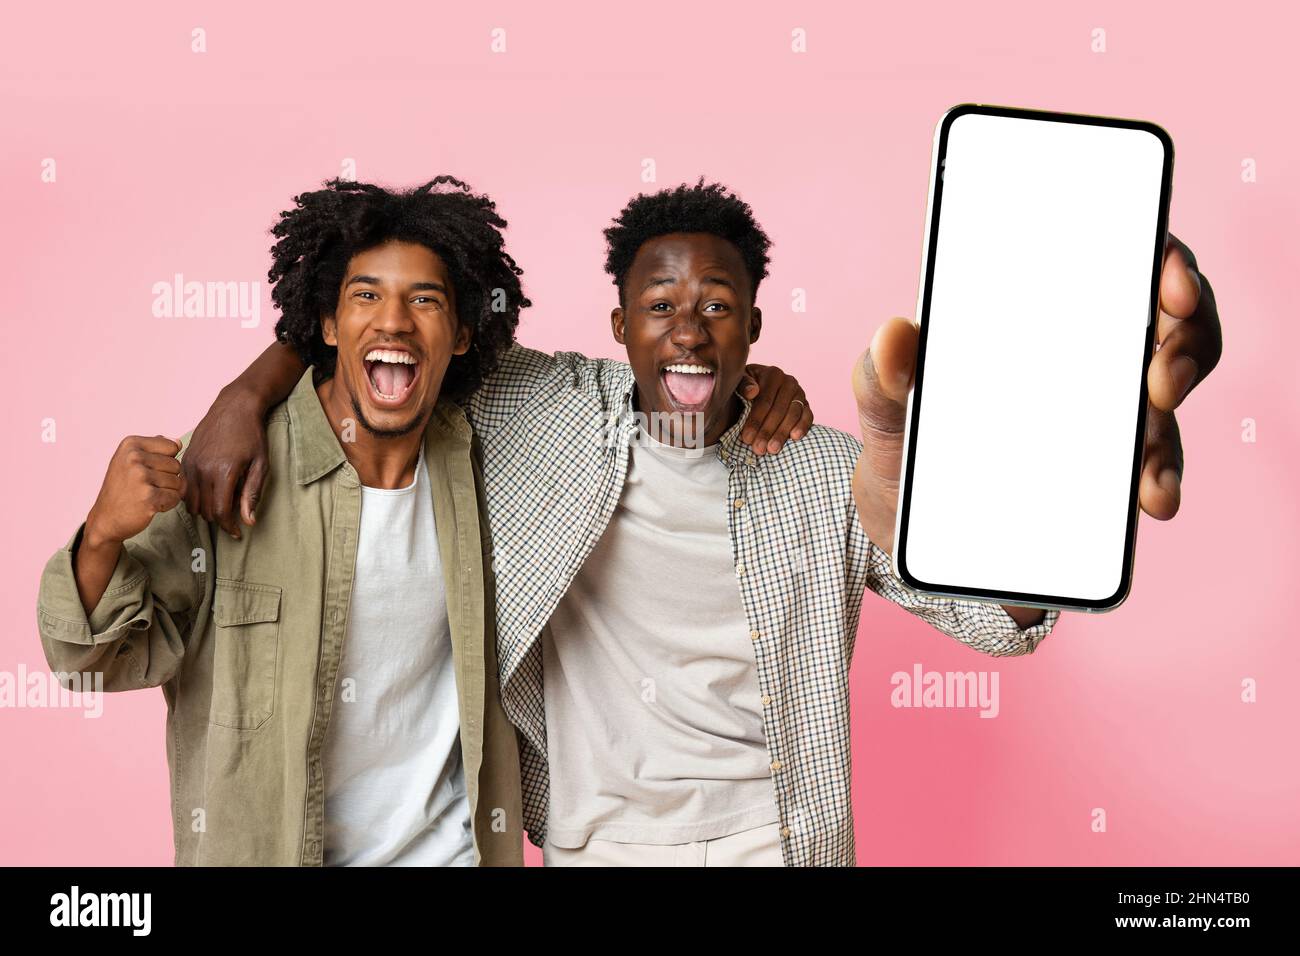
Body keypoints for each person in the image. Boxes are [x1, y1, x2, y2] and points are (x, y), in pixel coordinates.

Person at [183, 179, 1221, 866]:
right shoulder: (534, 409)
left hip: (778, 845)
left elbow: (998, 617)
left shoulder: (823, 468)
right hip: (596, 852)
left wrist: (1053, 475)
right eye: (661, 304)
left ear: (754, 326)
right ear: (618, 325)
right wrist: (251, 384)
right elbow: (394, 312)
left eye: (718, 306)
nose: (688, 326)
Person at [36, 177, 529, 866]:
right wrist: (102, 535)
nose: (393, 320)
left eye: (425, 299)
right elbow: (89, 662)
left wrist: (737, 393)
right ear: (327, 326)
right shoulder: (225, 469)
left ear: (465, 332)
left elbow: (637, 385)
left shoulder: (491, 454)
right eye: (366, 295)